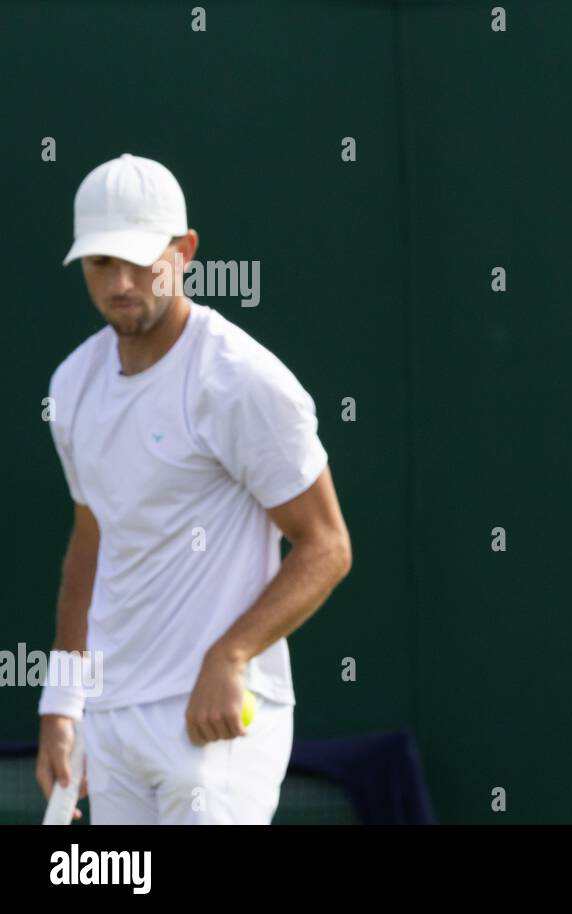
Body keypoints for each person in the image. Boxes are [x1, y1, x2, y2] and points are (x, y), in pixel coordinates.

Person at [36, 154, 353, 824]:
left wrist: (230, 653)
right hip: (113, 722)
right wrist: (62, 705)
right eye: (99, 264)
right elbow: (90, 546)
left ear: (184, 252)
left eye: (139, 261)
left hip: (219, 728)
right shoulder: (72, 387)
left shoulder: (240, 379)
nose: (120, 283)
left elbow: (327, 545)